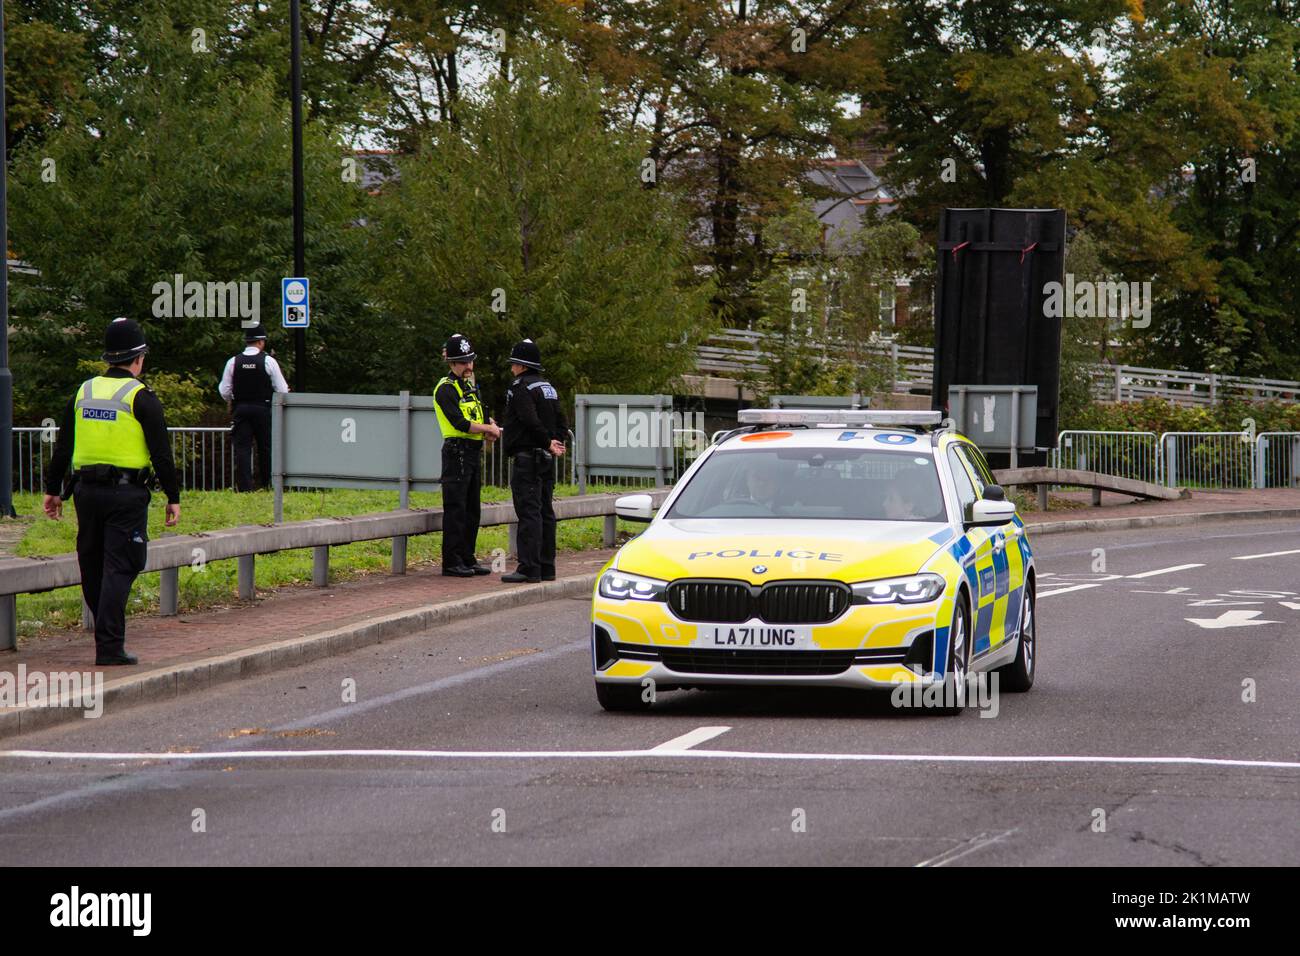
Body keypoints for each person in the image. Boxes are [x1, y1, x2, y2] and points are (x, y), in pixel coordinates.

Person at [42, 317, 181, 666]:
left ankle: (107, 637)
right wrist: (173, 497)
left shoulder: (84, 391)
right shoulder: (141, 396)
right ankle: (109, 647)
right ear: (138, 359)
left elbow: (62, 446)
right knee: (121, 566)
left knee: (92, 564)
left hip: (86, 493)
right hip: (126, 495)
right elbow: (161, 453)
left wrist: (52, 489)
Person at [500, 339, 568, 584]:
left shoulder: (520, 388)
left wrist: (546, 442)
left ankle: (529, 568)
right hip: (546, 460)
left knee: (529, 513)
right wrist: (556, 442)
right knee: (545, 511)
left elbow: (528, 419)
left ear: (521, 366)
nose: (512, 369)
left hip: (527, 459)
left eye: (514, 364)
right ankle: (547, 567)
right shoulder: (548, 387)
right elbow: (562, 419)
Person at [434, 333, 501, 576]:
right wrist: (487, 429)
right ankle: (451, 562)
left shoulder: (469, 387)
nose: (469, 366)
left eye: (470, 360)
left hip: (472, 452)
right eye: (463, 362)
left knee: (472, 509)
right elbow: (460, 423)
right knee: (456, 509)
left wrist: (489, 426)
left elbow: (477, 417)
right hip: (456, 452)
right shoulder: (446, 389)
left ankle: (467, 557)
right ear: (451, 363)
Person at [218, 324, 289, 491]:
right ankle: (268, 485)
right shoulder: (268, 361)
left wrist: (235, 400)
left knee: (242, 448)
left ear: (247, 341)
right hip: (263, 409)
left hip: (241, 408)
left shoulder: (233, 361)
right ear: (261, 342)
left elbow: (224, 390)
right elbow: (282, 389)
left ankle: (244, 487)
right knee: (266, 447)